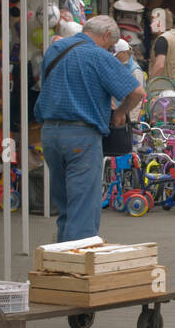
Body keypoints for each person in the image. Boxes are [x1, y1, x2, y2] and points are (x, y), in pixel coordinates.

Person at [35, 15, 144, 242]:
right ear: (105, 35)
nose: (111, 49)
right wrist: (121, 112)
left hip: (50, 132)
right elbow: (136, 93)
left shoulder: (55, 50)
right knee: (83, 206)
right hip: (81, 135)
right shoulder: (98, 56)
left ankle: (61, 257)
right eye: (111, 44)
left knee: (64, 202)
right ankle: (78, 262)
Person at [113, 39, 147, 123]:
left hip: (128, 117)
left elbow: (138, 100)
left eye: (117, 55)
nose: (115, 57)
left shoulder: (135, 71)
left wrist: (132, 121)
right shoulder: (119, 66)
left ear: (124, 53)